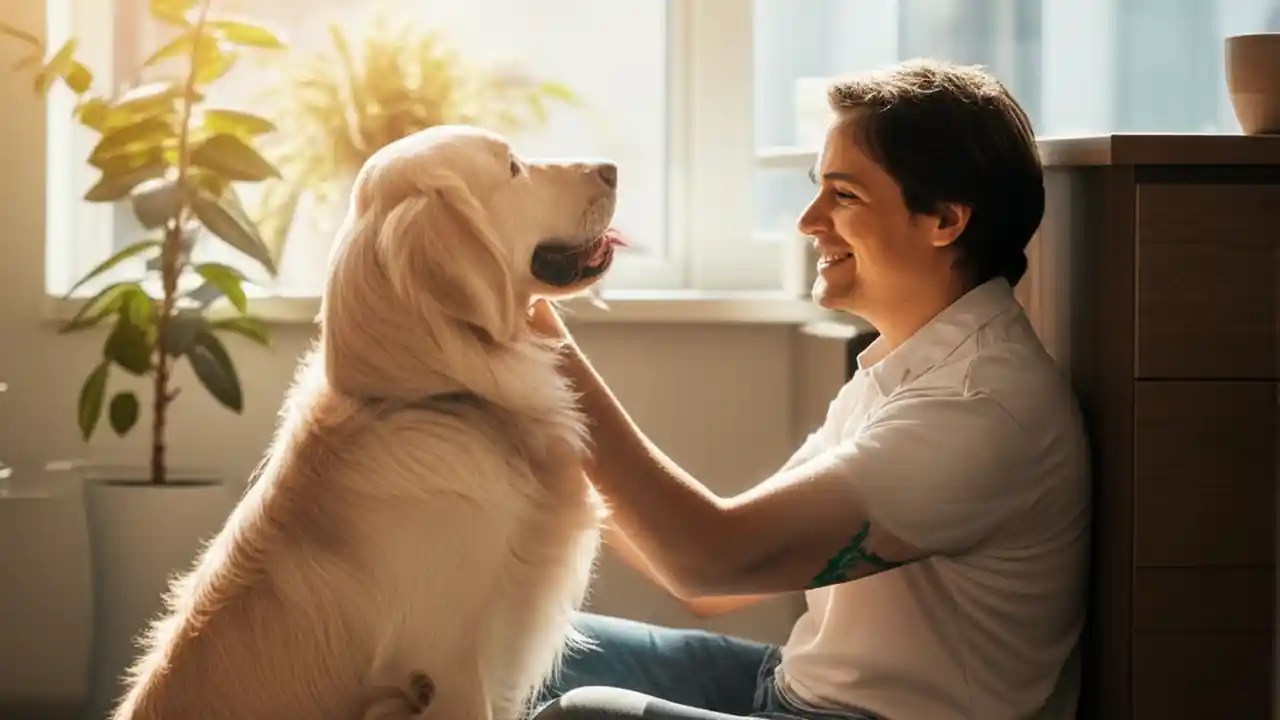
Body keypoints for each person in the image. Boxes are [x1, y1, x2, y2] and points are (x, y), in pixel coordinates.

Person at [527, 58, 1090, 720]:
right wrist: (531, 407)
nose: (807, 220)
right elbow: (711, 585)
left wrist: (536, 329)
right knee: (531, 649)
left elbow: (708, 561)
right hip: (796, 686)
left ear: (943, 220)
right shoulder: (906, 367)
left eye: (843, 195)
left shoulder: (975, 411)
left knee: (582, 716)